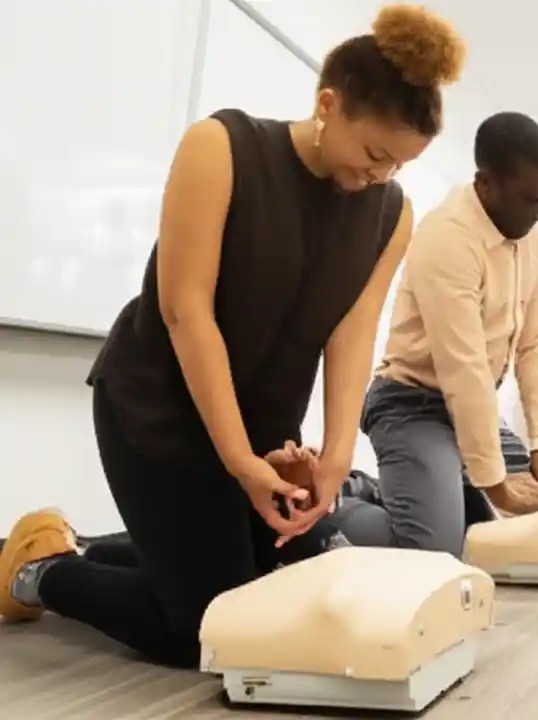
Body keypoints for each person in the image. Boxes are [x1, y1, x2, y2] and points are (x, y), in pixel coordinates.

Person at [0, 4, 466, 668]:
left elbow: (352, 335)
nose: (380, 176)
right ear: (328, 104)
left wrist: (335, 457)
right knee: (209, 630)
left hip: (258, 434)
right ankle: (39, 569)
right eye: (374, 154)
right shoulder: (221, 147)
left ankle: (87, 542)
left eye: (399, 165)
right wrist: (238, 461)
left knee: (292, 594)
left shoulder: (392, 212)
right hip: (157, 415)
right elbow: (186, 313)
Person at [356, 110, 538, 558]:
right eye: (531, 199)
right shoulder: (448, 237)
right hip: (411, 405)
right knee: (433, 548)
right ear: (486, 184)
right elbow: (463, 367)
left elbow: (535, 344)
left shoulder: (534, 241)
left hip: (472, 408)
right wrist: (498, 487)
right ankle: (346, 500)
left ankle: (440, 495)